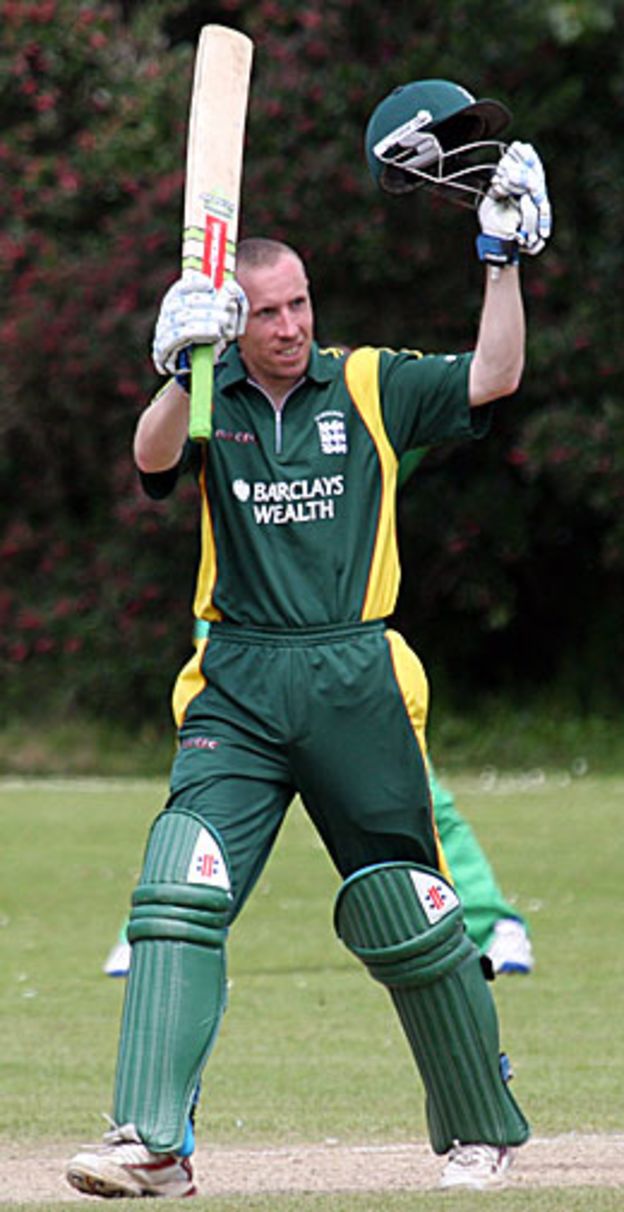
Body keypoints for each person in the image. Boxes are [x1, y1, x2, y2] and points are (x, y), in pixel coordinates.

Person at [67, 80, 550, 1199]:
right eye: (266, 313)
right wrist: (169, 364)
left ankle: (483, 1128)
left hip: (355, 675)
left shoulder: (369, 386)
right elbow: (150, 463)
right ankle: (154, 1144)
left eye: (298, 306)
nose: (289, 326)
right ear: (233, 319)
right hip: (236, 682)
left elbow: (496, 376)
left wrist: (502, 259)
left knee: (409, 909)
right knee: (177, 884)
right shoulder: (211, 392)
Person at [103, 763, 534, 977]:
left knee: (408, 793)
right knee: (208, 807)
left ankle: (486, 924)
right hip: (234, 648)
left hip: (334, 647)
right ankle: (157, 936)